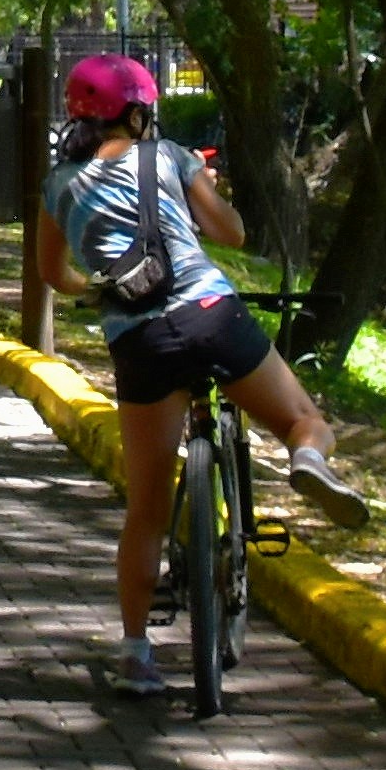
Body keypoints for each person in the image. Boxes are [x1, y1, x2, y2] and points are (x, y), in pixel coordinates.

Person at [21, 51, 347, 699]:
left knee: (146, 509)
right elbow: (230, 230)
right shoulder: (170, 156)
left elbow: (53, 276)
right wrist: (206, 197)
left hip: (139, 339)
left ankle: (138, 655)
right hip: (208, 310)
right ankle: (308, 458)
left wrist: (99, 289)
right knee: (303, 418)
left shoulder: (58, 186)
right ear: (138, 112)